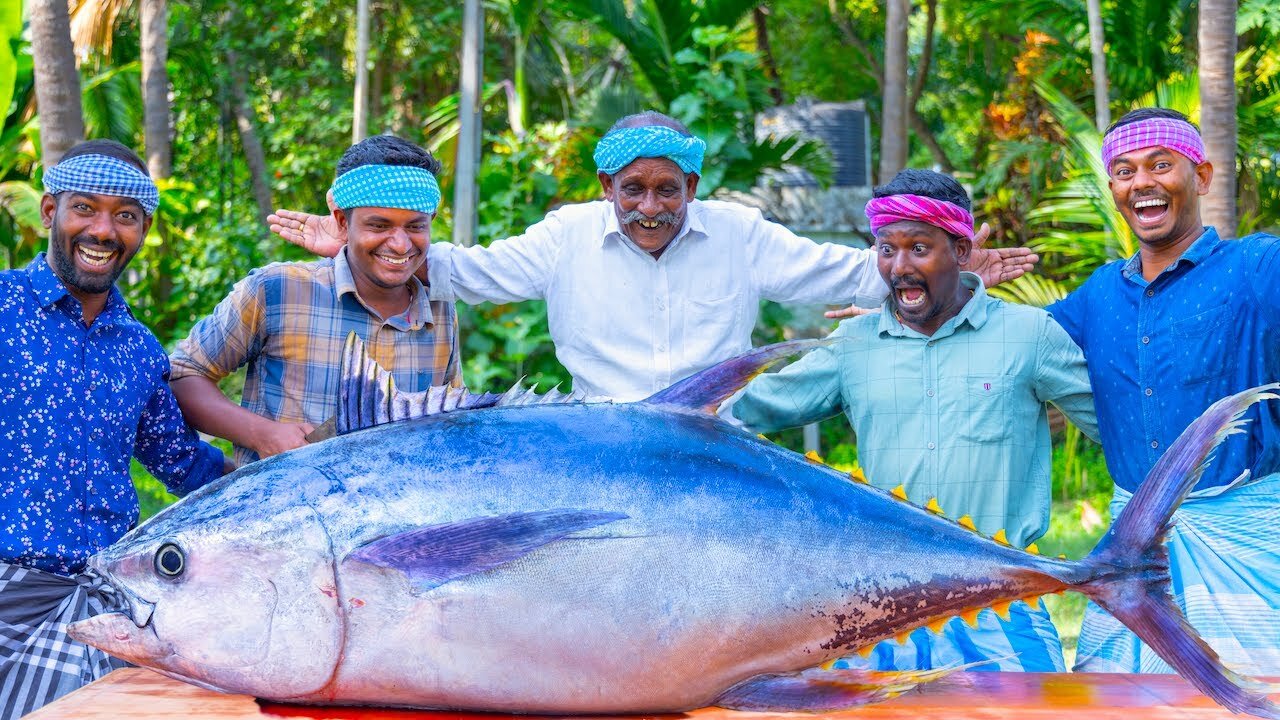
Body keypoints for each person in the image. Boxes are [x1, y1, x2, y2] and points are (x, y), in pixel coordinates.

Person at [269, 112, 1038, 401]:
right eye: (632, 189)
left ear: (692, 186)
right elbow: (469, 271)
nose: (650, 207)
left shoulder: (739, 232)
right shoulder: (568, 235)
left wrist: (947, 272)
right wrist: (368, 245)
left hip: (713, 444)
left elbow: (846, 271)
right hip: (603, 444)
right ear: (606, 186)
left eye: (667, 190)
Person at [732, 169, 1098, 672]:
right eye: (887, 250)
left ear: (962, 252)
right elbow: (741, 409)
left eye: (919, 249)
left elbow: (1118, 430)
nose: (900, 266)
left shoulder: (1030, 335)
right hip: (881, 612)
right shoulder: (852, 345)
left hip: (1001, 607)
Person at [1045, 108, 1280, 674]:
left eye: (1160, 164)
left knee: (1249, 699)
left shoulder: (1259, 265)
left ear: (1201, 177)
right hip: (1134, 553)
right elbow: (1007, 347)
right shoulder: (1099, 294)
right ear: (1113, 190)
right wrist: (932, 309)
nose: (1141, 182)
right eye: (1124, 171)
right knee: (1114, 703)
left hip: (1246, 542)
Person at [0, 140, 229, 718]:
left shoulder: (139, 348)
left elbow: (182, 465)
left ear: (142, 230)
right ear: (51, 212)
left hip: (104, 601)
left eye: (124, 216)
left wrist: (277, 472)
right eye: (86, 209)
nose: (103, 230)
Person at [170, 135, 461, 466]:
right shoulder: (278, 290)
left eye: (415, 226)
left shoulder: (439, 310)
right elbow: (182, 373)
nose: (399, 244)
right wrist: (261, 434)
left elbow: (448, 416)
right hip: (288, 511)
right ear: (341, 222)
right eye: (378, 225)